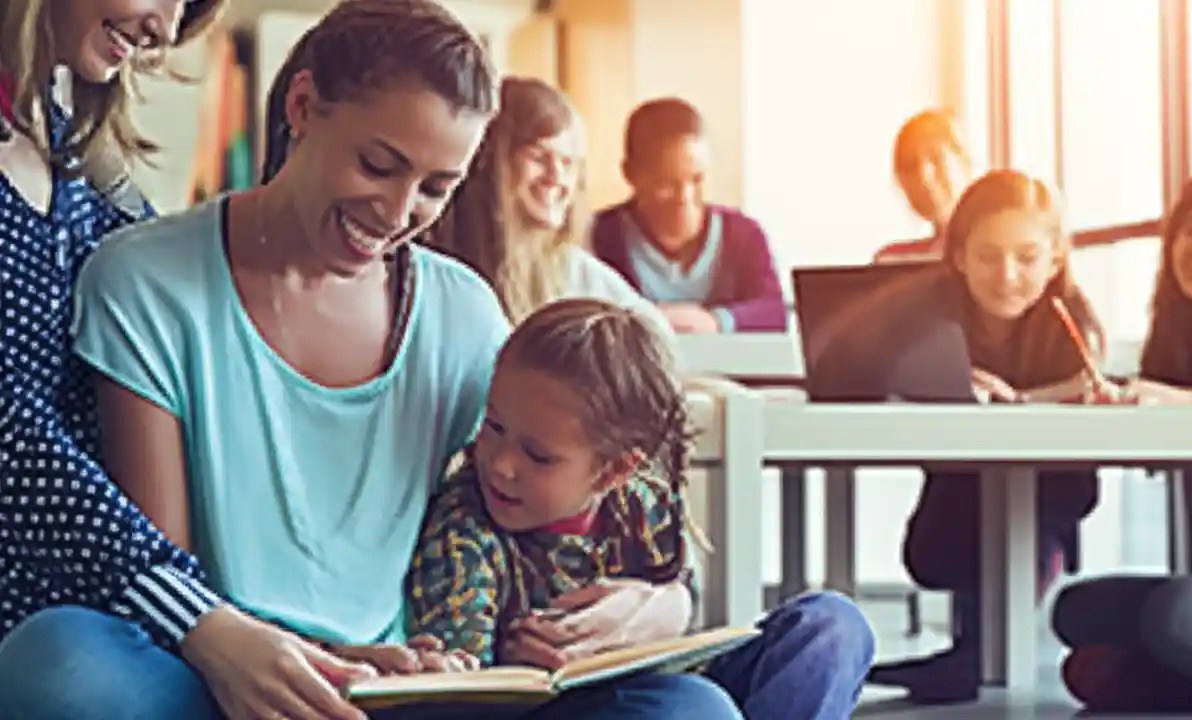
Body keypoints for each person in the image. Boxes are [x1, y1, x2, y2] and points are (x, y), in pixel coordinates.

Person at [1, 2, 737, 719]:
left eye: (436, 190)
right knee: (62, 661)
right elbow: (163, 573)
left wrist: (666, 600)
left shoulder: (460, 314)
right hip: (228, 675)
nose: (396, 213)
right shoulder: (144, 277)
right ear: (302, 105)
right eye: (378, 164)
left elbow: (595, 471)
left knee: (692, 707)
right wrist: (301, 654)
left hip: (408, 686)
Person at [409, 298, 876, 720]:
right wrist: (510, 662)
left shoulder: (644, 502)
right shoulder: (465, 528)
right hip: (563, 710)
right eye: (493, 427)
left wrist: (661, 613)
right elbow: (461, 684)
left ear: (613, 471)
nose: (501, 463)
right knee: (693, 707)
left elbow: (680, 612)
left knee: (833, 627)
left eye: (538, 456)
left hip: (657, 687)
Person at [0, 0, 224, 715]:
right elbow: (13, 434)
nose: (165, 26)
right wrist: (196, 616)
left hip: (102, 603)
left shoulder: (64, 150)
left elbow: (180, 307)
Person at [813, 169, 1108, 704]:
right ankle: (967, 654)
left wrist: (1031, 400)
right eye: (989, 256)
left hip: (1050, 490)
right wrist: (950, 379)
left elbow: (1088, 388)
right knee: (931, 555)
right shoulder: (927, 311)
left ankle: (975, 655)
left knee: (1013, 536)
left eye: (1026, 257)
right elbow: (867, 363)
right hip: (958, 483)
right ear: (959, 257)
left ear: (1056, 259)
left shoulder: (1073, 321)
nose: (1007, 274)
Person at [1053, 168, 1192, 715]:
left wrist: (1186, 403)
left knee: (1181, 617)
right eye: (1190, 229)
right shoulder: (1181, 354)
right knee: (1075, 611)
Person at [418, 75, 671, 333]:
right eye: (539, 158)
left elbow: (654, 334)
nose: (556, 178)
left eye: (568, 163)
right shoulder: (436, 271)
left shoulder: (574, 271)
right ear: (490, 164)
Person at [592, 98, 787, 333]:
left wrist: (716, 321)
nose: (684, 197)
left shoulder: (744, 235)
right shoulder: (600, 236)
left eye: (697, 179)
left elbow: (774, 310)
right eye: (666, 183)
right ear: (631, 174)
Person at [874, 109, 973, 263]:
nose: (924, 178)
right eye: (910, 166)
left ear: (965, 163)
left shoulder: (999, 257)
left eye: (936, 159)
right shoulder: (893, 260)